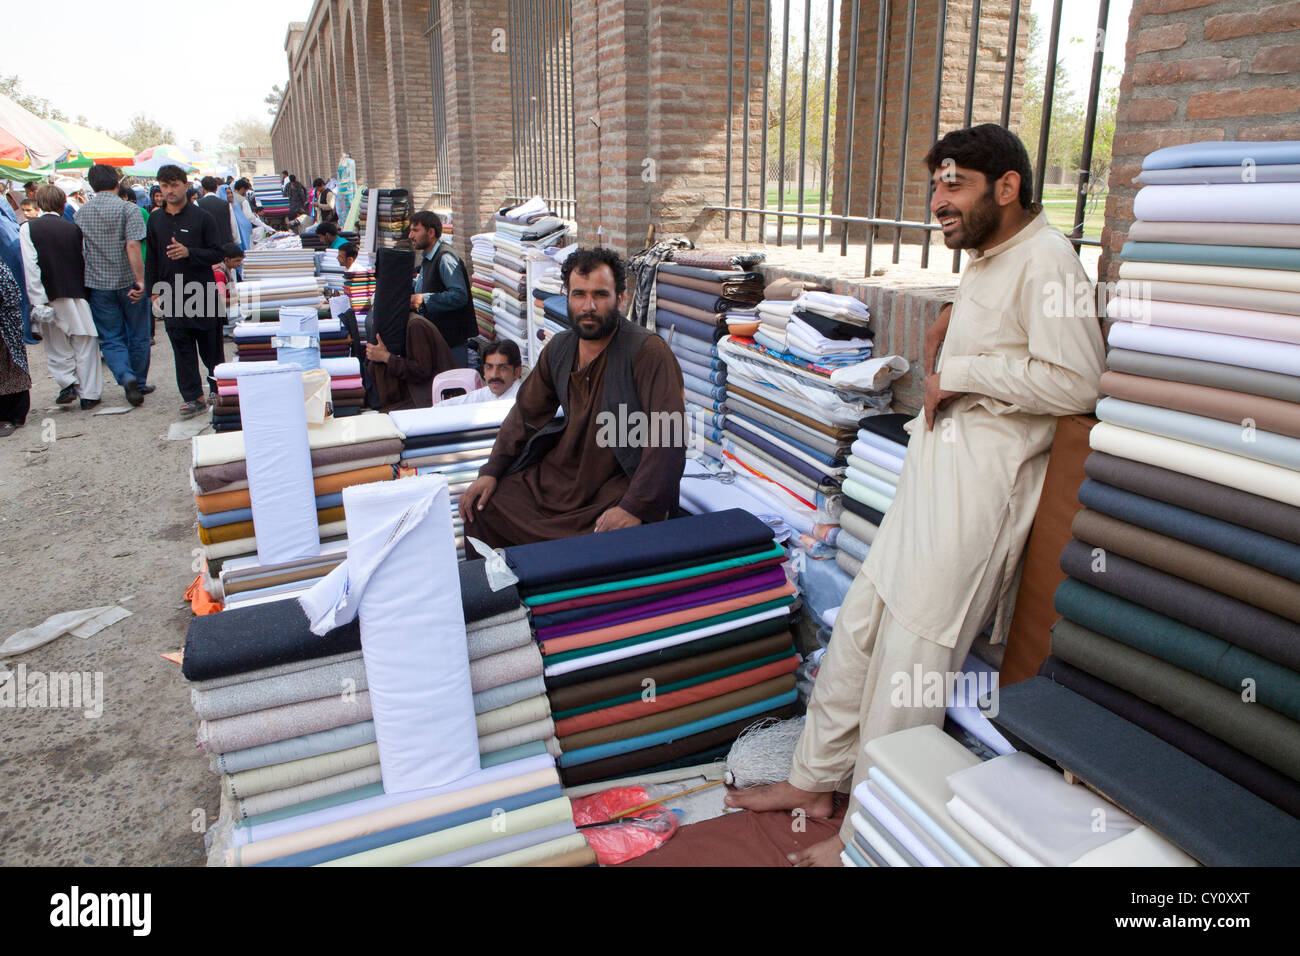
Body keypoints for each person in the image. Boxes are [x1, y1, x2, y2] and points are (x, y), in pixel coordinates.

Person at [725, 124, 1107, 864]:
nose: (937, 202)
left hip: (978, 498)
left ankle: (869, 827)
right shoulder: (994, 257)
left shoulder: (1049, 260)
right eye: (935, 186)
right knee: (863, 627)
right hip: (934, 476)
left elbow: (1077, 382)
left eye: (953, 184)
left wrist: (964, 375)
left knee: (910, 664)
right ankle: (814, 780)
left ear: (1008, 186)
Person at [458, 247, 686, 548]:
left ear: (620, 298)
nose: (588, 305)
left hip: (617, 483)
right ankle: (505, 595)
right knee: (482, 509)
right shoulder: (559, 349)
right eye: (579, 294)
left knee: (597, 545)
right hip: (561, 480)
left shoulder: (648, 352)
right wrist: (490, 471)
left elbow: (668, 438)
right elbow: (525, 416)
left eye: (600, 295)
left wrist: (635, 506)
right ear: (567, 298)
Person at [146, 164, 224, 417]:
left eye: (174, 185)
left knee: (211, 347)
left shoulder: (202, 218)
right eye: (164, 186)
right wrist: (153, 292)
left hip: (201, 291)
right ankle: (192, 396)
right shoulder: (156, 219)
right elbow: (153, 259)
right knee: (181, 347)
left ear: (186, 186)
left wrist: (190, 252)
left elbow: (217, 252)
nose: (169, 191)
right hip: (171, 294)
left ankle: (219, 388)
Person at [20, 184, 103, 410]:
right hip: (76, 292)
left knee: (56, 344)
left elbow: (31, 266)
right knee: (85, 342)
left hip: (49, 294)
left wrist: (37, 300)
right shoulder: (74, 229)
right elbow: (85, 260)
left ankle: (67, 382)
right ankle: (90, 393)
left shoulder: (28, 229)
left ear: (39, 204)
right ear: (63, 204)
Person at [78, 163, 153, 407]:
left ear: (92, 185)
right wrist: (141, 279)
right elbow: (133, 245)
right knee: (139, 333)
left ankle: (125, 376)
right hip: (128, 281)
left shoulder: (81, 213)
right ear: (117, 183)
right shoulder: (128, 210)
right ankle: (139, 382)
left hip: (98, 283)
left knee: (110, 337)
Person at [409, 210, 475, 367]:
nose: (411, 236)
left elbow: (459, 295)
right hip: (437, 339)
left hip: (451, 342)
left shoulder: (445, 258)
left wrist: (423, 299)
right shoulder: (428, 257)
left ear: (431, 232)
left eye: (415, 230)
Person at [0, 190, 37, 345]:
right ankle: (25, 332)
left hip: (9, 259)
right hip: (14, 256)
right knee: (21, 295)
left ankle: (24, 332)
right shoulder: (8, 223)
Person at [0, 259, 31, 436]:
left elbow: (10, 296)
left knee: (11, 369)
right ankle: (15, 415)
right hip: (9, 326)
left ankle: (10, 416)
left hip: (5, 328)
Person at [442, 339, 523, 405]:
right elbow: (445, 406)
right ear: (484, 370)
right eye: (489, 367)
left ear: (517, 372)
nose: (494, 375)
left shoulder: (521, 403)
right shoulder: (488, 393)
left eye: (502, 368)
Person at [198, 176, 235, 247]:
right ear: (216, 188)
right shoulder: (226, 204)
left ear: (203, 188)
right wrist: (235, 240)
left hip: (207, 246)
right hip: (225, 244)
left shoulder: (198, 203)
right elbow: (233, 225)